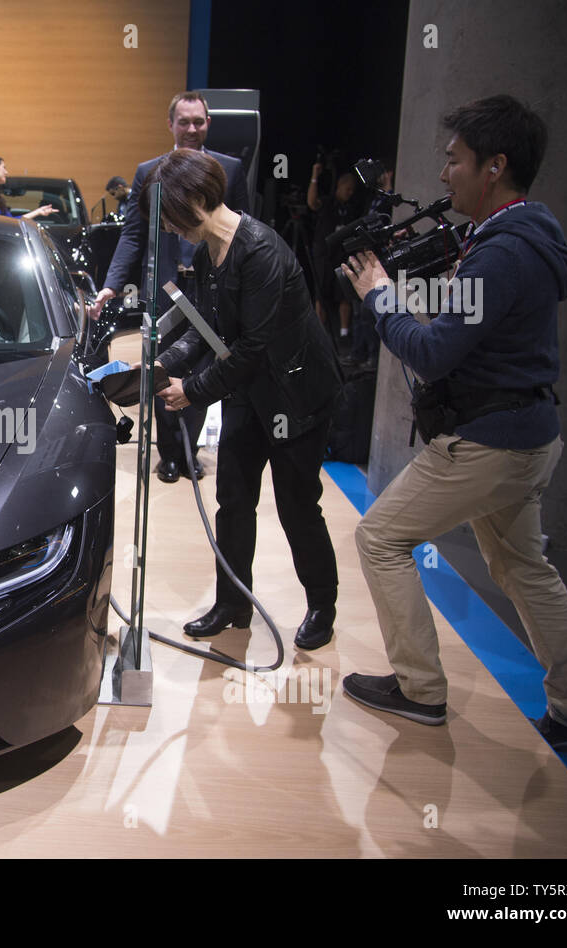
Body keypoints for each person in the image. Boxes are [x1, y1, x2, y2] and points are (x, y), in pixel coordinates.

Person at [341, 95, 567, 749]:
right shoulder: (530, 237)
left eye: (454, 160)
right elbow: (473, 325)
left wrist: (381, 297)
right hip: (528, 435)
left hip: (488, 444)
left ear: (495, 167)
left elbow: (433, 352)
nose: (444, 174)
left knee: (379, 539)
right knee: (524, 567)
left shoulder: (499, 255)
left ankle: (420, 690)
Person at [152, 149, 342, 649]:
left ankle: (322, 605)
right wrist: (162, 366)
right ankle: (233, 601)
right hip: (249, 391)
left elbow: (252, 349)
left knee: (298, 505)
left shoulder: (260, 251)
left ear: (196, 199)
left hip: (295, 394)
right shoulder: (204, 253)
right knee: (233, 499)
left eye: (172, 215)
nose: (170, 227)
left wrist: (190, 391)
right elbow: (206, 328)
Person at [90, 91, 250, 484]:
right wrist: (112, 285)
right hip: (164, 290)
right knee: (161, 368)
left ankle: (189, 449)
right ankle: (169, 455)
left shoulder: (230, 169)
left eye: (199, 121)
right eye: (185, 122)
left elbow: (244, 227)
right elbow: (133, 234)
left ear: (208, 123)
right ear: (171, 124)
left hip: (210, 290)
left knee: (203, 368)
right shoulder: (149, 171)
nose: (192, 128)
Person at [308, 163, 363, 349]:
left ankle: (344, 333)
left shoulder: (352, 208)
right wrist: (315, 176)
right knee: (321, 295)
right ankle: (319, 333)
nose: (349, 193)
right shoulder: (328, 202)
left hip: (342, 254)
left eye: (352, 191)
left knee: (344, 294)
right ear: (340, 186)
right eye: (347, 189)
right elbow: (312, 203)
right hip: (324, 254)